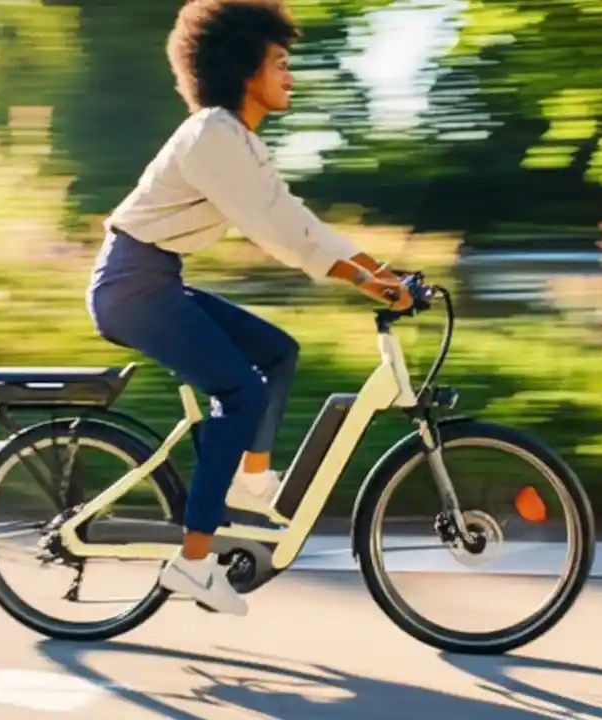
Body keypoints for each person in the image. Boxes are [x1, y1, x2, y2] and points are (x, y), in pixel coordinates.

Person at [85, 0, 413, 616]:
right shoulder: (212, 136)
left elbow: (297, 220)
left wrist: (385, 273)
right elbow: (279, 233)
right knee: (241, 395)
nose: (291, 76)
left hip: (153, 279)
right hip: (132, 287)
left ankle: (250, 481)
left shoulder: (238, 140)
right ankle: (193, 561)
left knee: (277, 352)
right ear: (244, 69)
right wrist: (370, 283)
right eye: (280, 63)